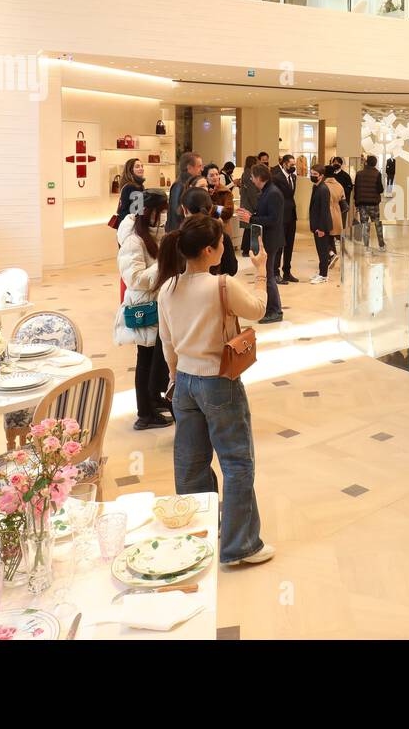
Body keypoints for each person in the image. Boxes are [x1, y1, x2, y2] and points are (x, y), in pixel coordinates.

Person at [154, 214, 274, 566]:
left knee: (191, 465)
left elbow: (167, 342)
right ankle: (240, 546)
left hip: (185, 383)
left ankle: (199, 535)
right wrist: (261, 271)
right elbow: (259, 309)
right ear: (209, 250)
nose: (225, 248)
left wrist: (176, 378)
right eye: (222, 243)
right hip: (219, 381)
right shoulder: (221, 284)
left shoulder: (169, 287)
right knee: (237, 462)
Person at [115, 190, 173, 431]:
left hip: (157, 304)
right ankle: (144, 414)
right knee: (145, 360)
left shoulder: (152, 235)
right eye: (161, 212)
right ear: (151, 212)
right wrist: (163, 263)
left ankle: (153, 399)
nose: (164, 218)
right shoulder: (133, 240)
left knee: (155, 358)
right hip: (144, 306)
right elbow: (135, 278)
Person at [236, 162, 284, 324]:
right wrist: (251, 214)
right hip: (266, 239)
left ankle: (275, 310)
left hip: (271, 240)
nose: (251, 179)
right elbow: (265, 213)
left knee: (268, 276)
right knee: (267, 274)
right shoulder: (266, 191)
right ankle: (271, 309)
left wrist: (252, 218)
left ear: (258, 177)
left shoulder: (273, 193)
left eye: (252, 177)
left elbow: (273, 219)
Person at [182, 187, 237, 277]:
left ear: (185, 210)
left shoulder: (181, 236)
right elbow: (231, 268)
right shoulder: (221, 236)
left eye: (206, 185)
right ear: (211, 207)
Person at [271, 154, 299, 284]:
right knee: (280, 244)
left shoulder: (293, 177)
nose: (293, 166)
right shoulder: (276, 178)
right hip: (281, 215)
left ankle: (287, 271)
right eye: (291, 164)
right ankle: (275, 273)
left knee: (290, 244)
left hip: (291, 214)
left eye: (294, 164)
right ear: (284, 164)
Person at [307, 164, 337, 285]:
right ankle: (321, 272)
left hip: (322, 226)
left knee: (323, 251)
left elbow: (324, 210)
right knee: (320, 251)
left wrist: (321, 228)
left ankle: (324, 275)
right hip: (316, 225)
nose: (312, 176)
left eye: (315, 174)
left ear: (321, 176)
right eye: (312, 173)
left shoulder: (323, 189)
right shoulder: (316, 187)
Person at [353, 155, 386, 249]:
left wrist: (356, 203)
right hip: (374, 204)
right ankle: (381, 245)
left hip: (362, 204)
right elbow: (380, 190)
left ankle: (366, 246)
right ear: (375, 163)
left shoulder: (359, 174)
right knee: (377, 224)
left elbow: (356, 189)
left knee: (365, 225)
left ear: (366, 162)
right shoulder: (377, 174)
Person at [167, 151, 202, 231]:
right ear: (189, 168)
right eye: (199, 166)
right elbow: (177, 212)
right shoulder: (179, 185)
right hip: (181, 231)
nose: (201, 169)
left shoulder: (188, 183)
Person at [323, 163, 345, 273]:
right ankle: (332, 257)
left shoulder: (323, 185)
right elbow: (343, 200)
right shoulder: (339, 185)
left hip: (326, 213)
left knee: (324, 237)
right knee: (331, 237)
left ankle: (330, 255)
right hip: (337, 213)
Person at [116, 157, 146, 228]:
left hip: (125, 224)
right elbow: (137, 210)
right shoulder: (133, 187)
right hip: (130, 226)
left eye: (142, 166)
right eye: (137, 167)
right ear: (130, 170)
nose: (141, 168)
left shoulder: (132, 185)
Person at [238, 155, 259, 257]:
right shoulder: (249, 174)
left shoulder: (245, 173)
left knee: (249, 228)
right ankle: (247, 249)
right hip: (249, 205)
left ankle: (247, 248)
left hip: (246, 203)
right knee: (250, 228)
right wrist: (256, 206)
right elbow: (252, 193)